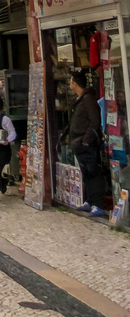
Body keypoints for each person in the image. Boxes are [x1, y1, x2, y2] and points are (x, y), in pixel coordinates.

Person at [69, 70, 107, 217]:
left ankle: (98, 204)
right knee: (86, 173)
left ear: (76, 83)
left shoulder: (88, 99)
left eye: (71, 81)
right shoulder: (80, 99)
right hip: (78, 143)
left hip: (86, 144)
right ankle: (90, 201)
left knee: (93, 172)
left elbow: (95, 121)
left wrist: (86, 140)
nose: (70, 84)